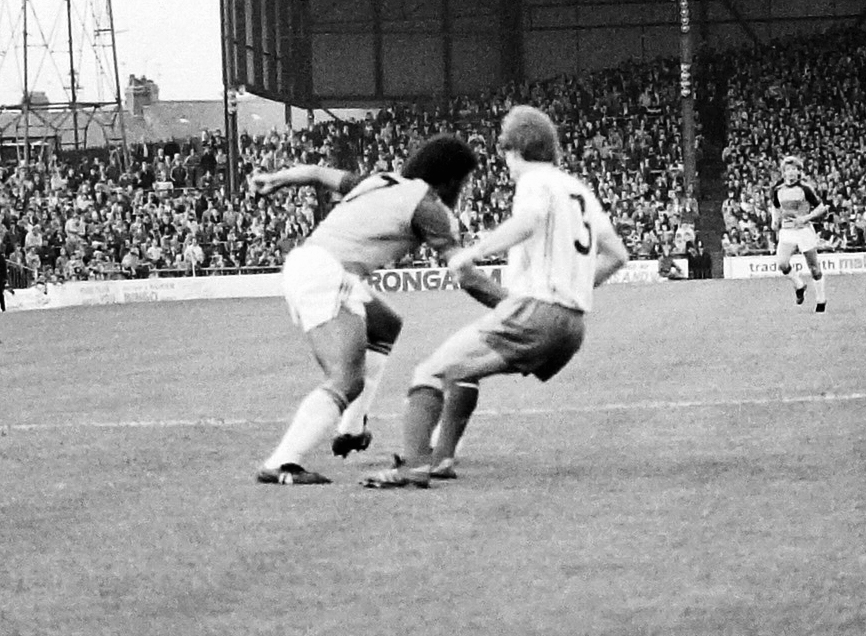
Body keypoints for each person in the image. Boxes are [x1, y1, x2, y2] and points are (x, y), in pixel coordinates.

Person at [363, 105, 629, 489]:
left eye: (504, 152)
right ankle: (442, 458)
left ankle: (414, 467)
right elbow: (617, 255)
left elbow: (528, 222)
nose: (505, 162)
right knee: (462, 369)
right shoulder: (577, 189)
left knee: (428, 371)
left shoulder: (535, 182)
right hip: (571, 326)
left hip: (535, 312)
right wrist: (573, 290)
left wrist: (473, 253)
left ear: (514, 150)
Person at [248, 134, 505, 486]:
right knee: (346, 380)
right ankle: (283, 462)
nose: (464, 189)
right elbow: (466, 276)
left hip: (310, 264)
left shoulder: (379, 182)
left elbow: (318, 173)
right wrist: (521, 307)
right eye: (464, 181)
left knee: (385, 325)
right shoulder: (428, 207)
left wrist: (276, 180)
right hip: (328, 273)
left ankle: (352, 428)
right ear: (450, 179)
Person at [768, 156, 830, 312]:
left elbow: (821, 207)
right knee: (782, 263)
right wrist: (774, 221)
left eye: (794, 169)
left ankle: (821, 300)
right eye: (788, 170)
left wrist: (806, 218)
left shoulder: (805, 189)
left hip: (804, 231)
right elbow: (775, 206)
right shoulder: (778, 189)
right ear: (783, 173)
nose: (791, 173)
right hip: (787, 230)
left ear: (798, 172)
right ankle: (799, 285)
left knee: (814, 268)